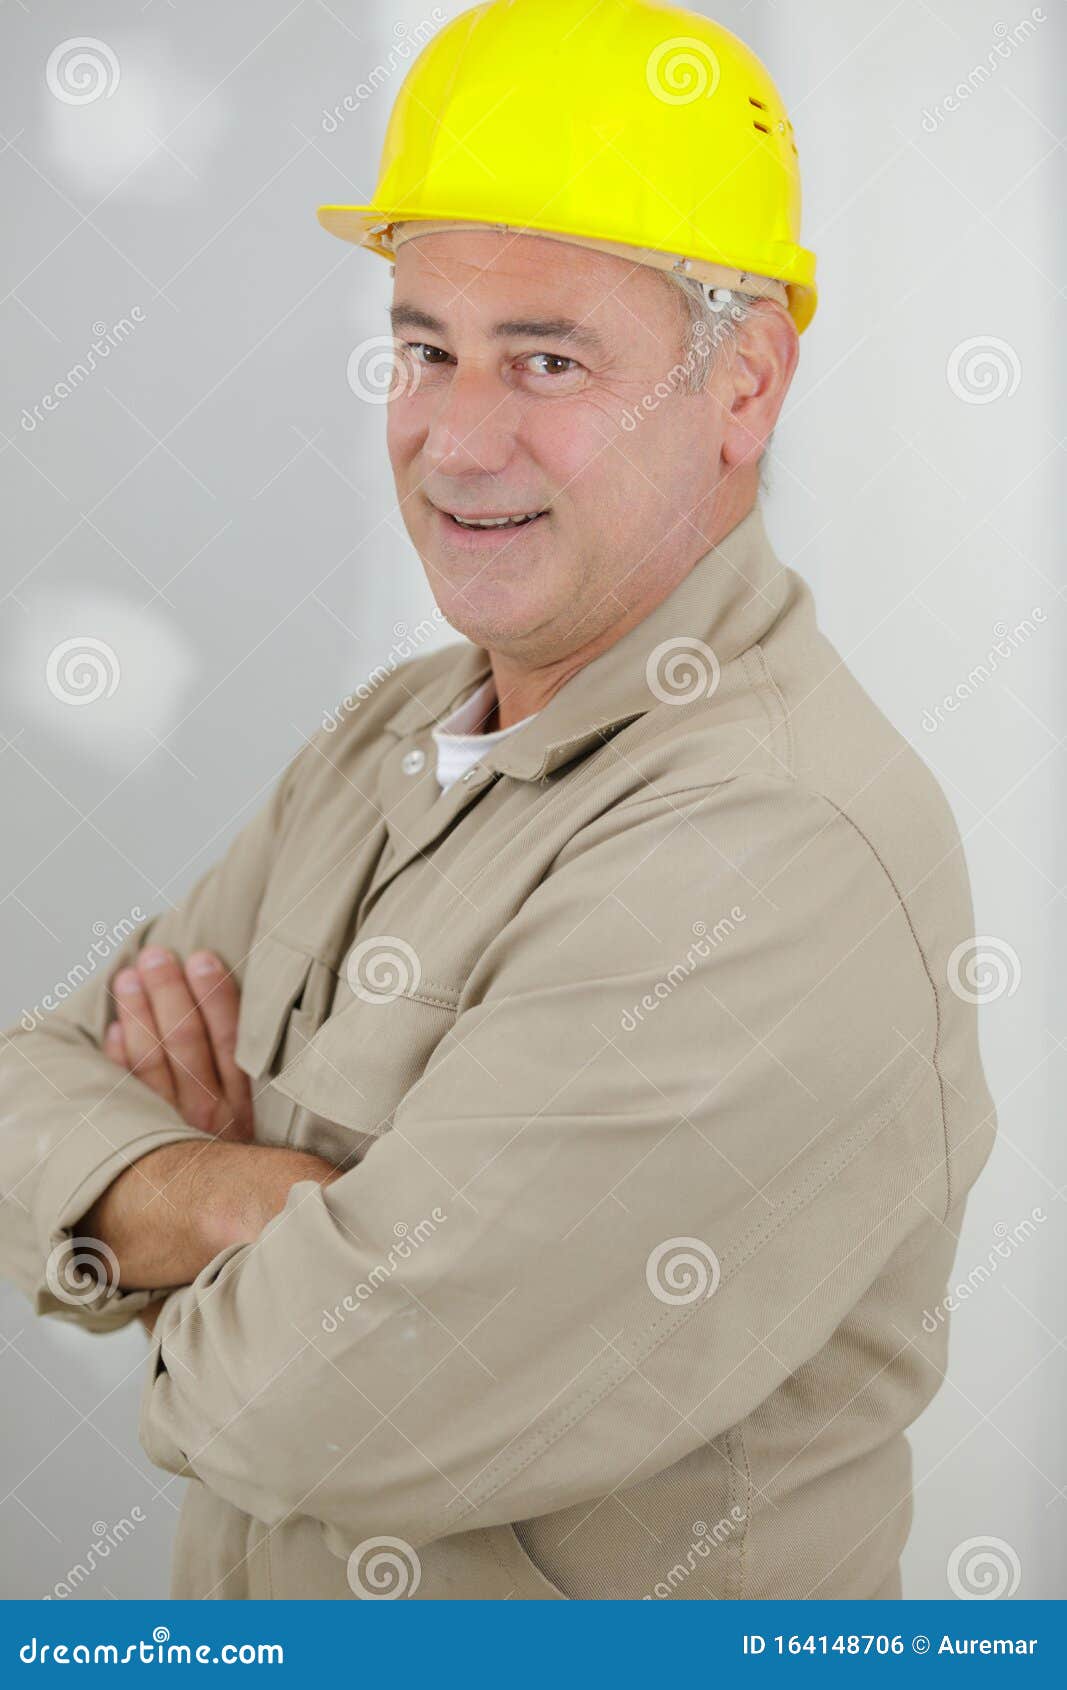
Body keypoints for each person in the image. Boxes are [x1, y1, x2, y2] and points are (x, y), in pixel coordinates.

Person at [0, 0, 996, 1600]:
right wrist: (241, 1199)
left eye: (546, 357)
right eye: (423, 348)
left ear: (745, 383)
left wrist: (147, 1225)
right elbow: (26, 1086)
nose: (457, 438)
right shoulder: (386, 740)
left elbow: (315, 1402)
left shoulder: (775, 851)